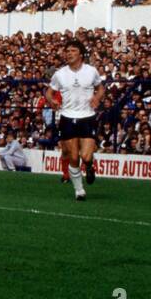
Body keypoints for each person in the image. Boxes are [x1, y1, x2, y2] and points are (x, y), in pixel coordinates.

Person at [45, 39, 105, 201]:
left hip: (87, 117)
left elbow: (100, 88)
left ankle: (90, 166)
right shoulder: (60, 74)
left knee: (85, 156)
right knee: (73, 157)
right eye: (67, 51)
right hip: (68, 117)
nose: (69, 53)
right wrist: (52, 101)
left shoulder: (91, 71)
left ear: (80, 54)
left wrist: (97, 98)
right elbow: (49, 93)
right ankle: (79, 190)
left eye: (72, 51)